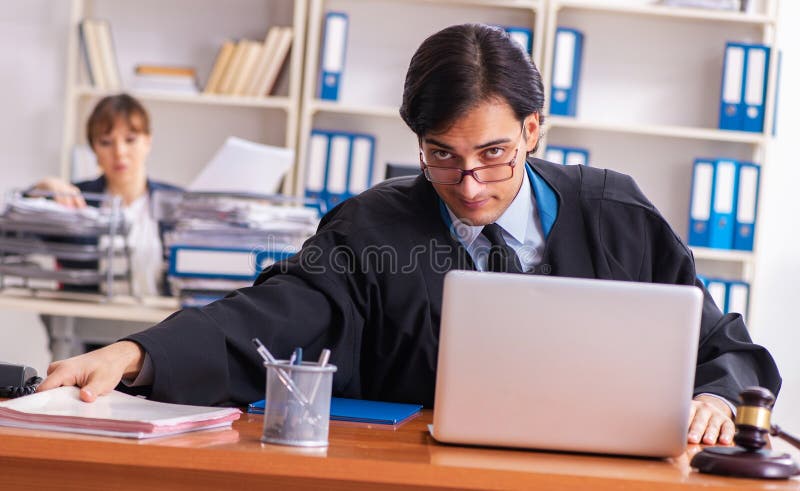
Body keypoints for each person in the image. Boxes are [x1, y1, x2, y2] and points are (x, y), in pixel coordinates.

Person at [39, 24, 780, 447]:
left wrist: (715, 399)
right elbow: (273, 314)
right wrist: (137, 352)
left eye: (494, 153)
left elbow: (723, 346)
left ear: (533, 128)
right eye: (442, 155)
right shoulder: (373, 227)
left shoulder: (616, 215)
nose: (470, 184)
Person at [32, 94, 180, 296]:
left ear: (148, 141)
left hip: (165, 315)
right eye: (106, 142)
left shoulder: (179, 203)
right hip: (85, 314)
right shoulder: (74, 199)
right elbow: (10, 240)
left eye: (130, 139)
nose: (119, 152)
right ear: (94, 149)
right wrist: (39, 190)